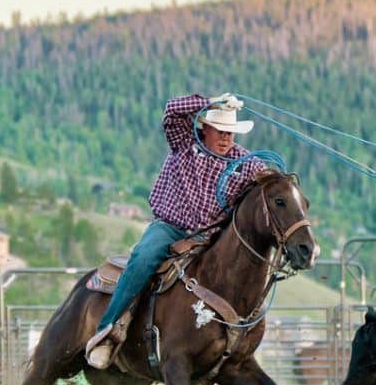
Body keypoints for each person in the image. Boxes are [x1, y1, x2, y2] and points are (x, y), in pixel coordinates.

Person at [85, 92, 266, 369]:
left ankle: (227, 345)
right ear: (204, 129)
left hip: (211, 237)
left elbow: (267, 176)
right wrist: (210, 101)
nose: (226, 139)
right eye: (220, 132)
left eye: (230, 133)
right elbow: (173, 111)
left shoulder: (244, 162)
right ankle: (108, 330)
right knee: (143, 259)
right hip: (171, 228)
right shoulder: (184, 144)